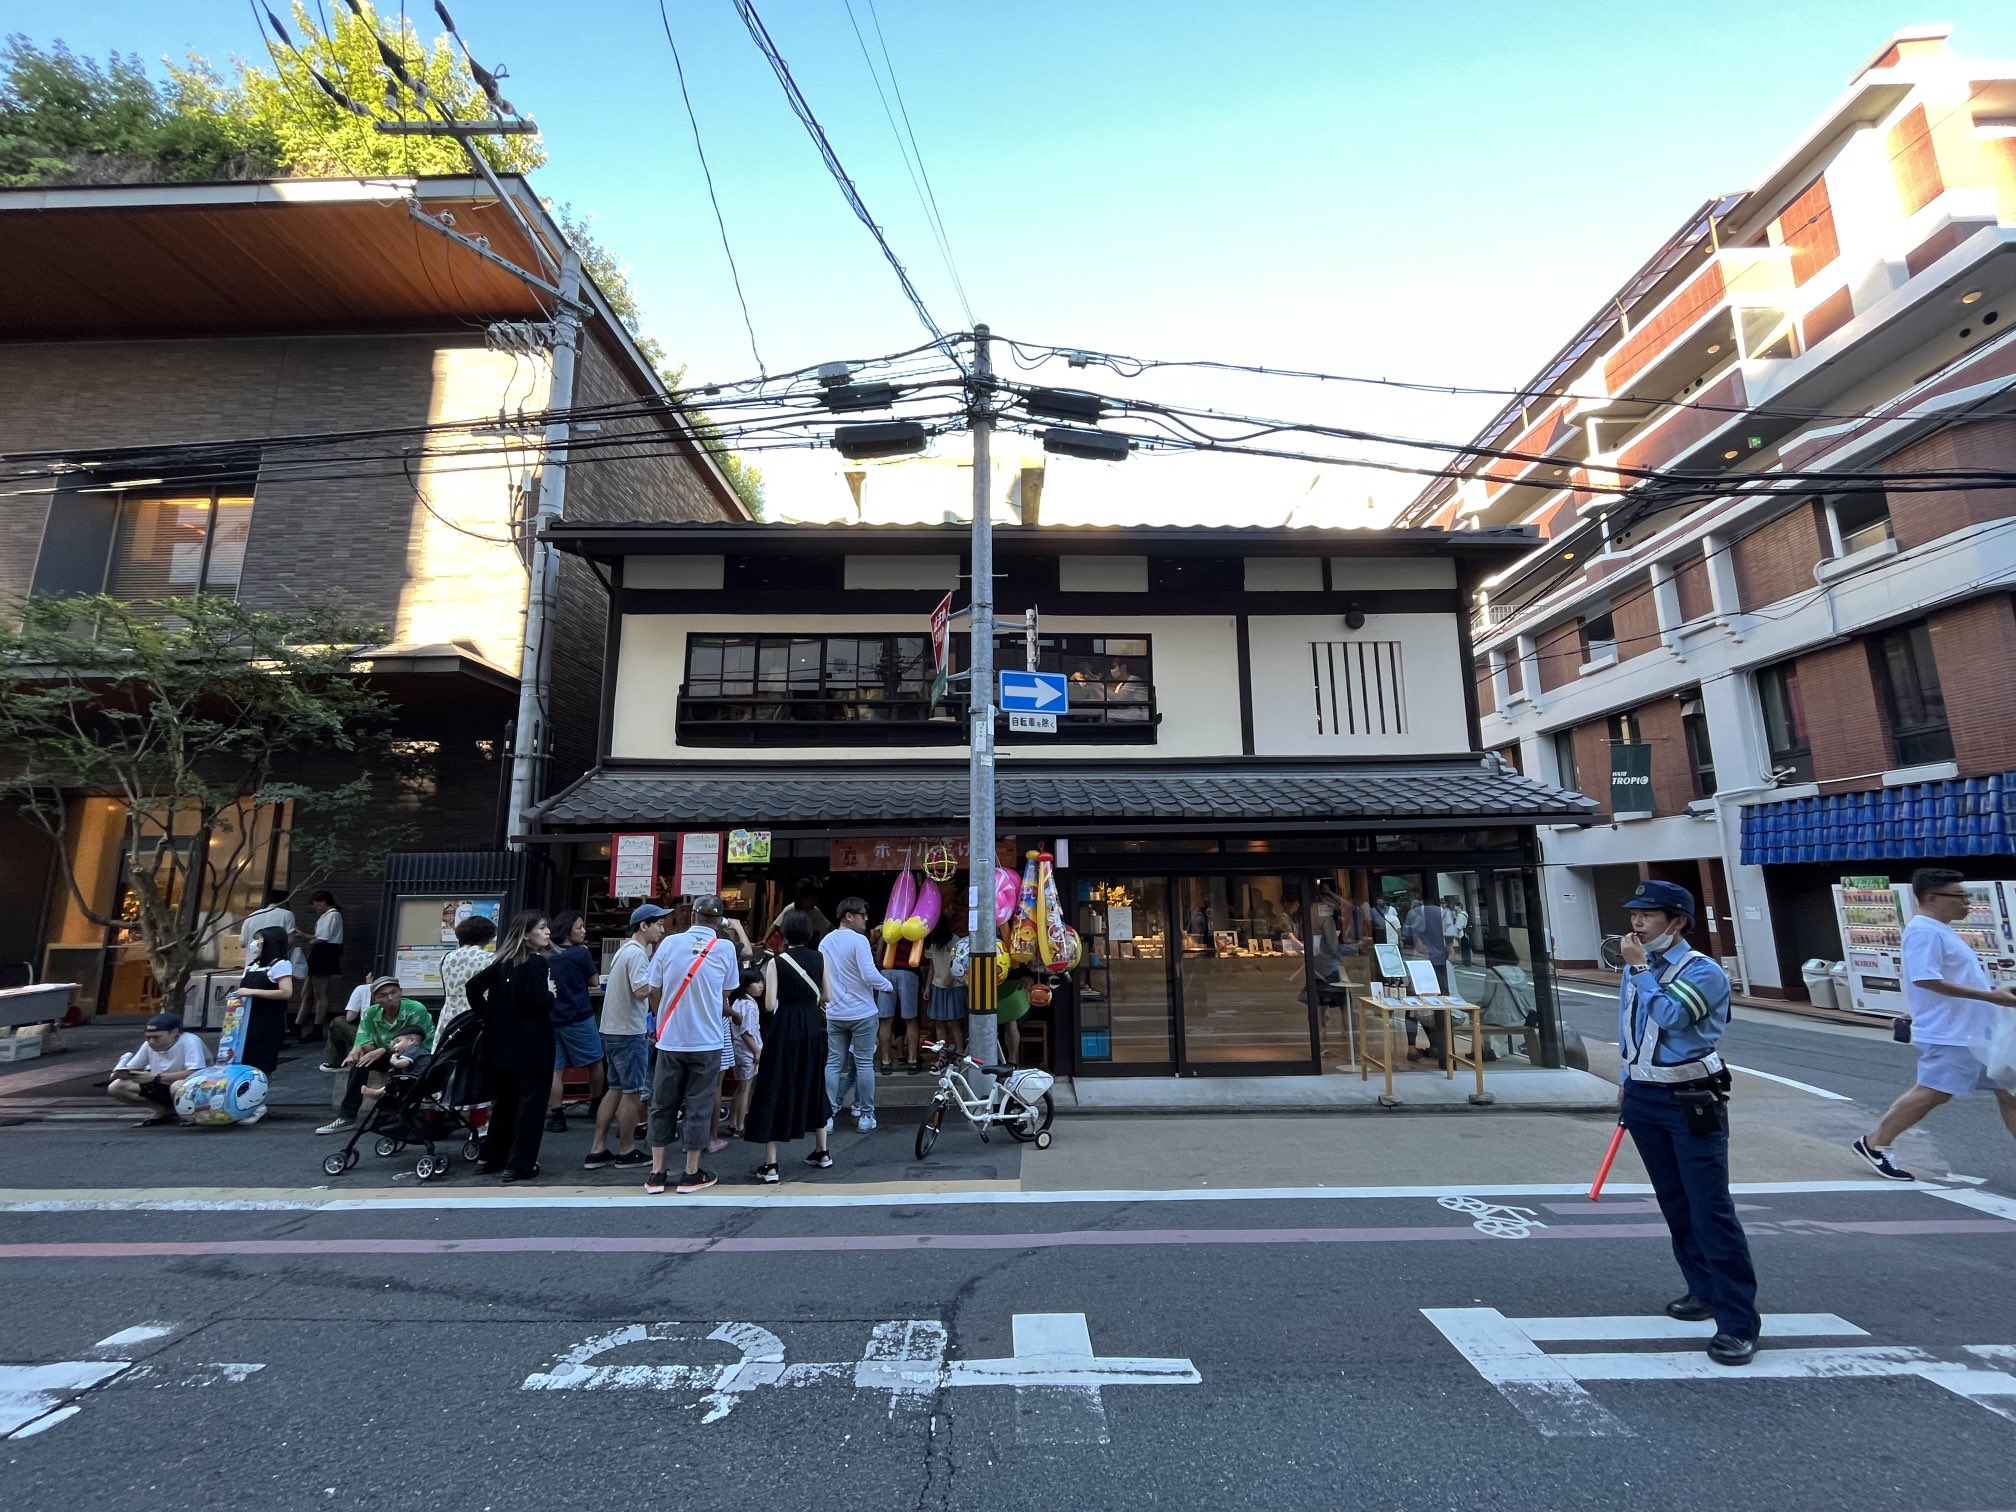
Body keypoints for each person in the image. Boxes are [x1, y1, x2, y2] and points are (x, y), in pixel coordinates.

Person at [1615, 879, 1757, 1368]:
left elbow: (1674, 1016)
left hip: (1689, 1096)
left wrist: (1639, 971)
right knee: (1675, 1203)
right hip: (1644, 1095)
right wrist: (1625, 1077)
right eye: (1634, 914)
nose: (1636, 923)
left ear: (1676, 923)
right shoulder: (1638, 970)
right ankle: (1702, 1290)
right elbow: (1629, 1027)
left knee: (1710, 1207)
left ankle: (1739, 1323)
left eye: (1648, 915)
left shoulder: (1703, 972)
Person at [1854, 869, 2016, 1180]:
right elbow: (1925, 979)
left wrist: (1993, 998)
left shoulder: (1939, 930)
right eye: (1959, 896)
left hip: (1975, 1032)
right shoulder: (1924, 932)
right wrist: (1991, 996)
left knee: (2009, 1091)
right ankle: (1874, 1143)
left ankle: (1874, 1143)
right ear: (1932, 898)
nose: (1967, 903)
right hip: (1951, 1032)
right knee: (1933, 1091)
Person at [644, 894, 738, 1194]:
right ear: (719, 920)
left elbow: (652, 987)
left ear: (693, 916)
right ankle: (691, 1172)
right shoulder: (725, 948)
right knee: (699, 1105)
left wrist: (661, 1019)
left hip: (670, 1040)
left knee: (662, 1104)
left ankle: (657, 1172)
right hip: (707, 1040)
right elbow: (727, 993)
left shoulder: (669, 943)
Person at [743, 908, 835, 1181]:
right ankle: (822, 1151)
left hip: (785, 1029)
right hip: (814, 1028)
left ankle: (771, 1166)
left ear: (784, 935)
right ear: (809, 933)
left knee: (776, 1087)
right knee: (815, 1083)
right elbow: (827, 996)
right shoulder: (820, 958)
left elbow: (770, 1005)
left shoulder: (776, 962)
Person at [465, 912, 556, 1182]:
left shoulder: (503, 963)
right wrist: (552, 995)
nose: (547, 932)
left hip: (501, 1045)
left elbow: (472, 987)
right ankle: (520, 1164)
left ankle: (490, 1156)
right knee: (531, 1106)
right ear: (527, 934)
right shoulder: (536, 964)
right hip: (533, 1045)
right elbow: (539, 1002)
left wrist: (488, 1016)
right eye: (541, 928)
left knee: (504, 1103)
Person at [585, 903, 667, 1171]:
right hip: (628, 1032)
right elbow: (642, 990)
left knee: (616, 1088)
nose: (662, 929)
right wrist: (662, 979)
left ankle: (598, 1148)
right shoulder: (637, 955)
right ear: (643, 926)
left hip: (611, 1030)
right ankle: (627, 1150)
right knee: (632, 1093)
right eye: (658, 924)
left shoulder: (625, 950)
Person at [317, 976, 433, 1136]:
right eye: (383, 995)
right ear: (375, 999)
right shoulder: (371, 1013)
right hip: (390, 1054)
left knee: (392, 1062)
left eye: (394, 992)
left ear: (401, 992)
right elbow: (365, 1041)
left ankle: (396, 1115)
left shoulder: (415, 1009)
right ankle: (347, 1117)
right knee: (360, 1064)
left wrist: (382, 1050)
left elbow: (415, 1043)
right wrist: (359, 1049)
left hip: (416, 1057)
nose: (390, 997)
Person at [820, 895, 890, 1132]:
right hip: (862, 1012)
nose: (866, 919)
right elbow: (870, 975)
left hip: (835, 1012)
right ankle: (866, 1115)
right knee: (863, 1064)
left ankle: (827, 1117)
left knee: (833, 1064)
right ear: (849, 916)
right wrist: (887, 986)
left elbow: (823, 976)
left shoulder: (826, 942)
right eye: (862, 914)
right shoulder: (859, 941)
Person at [543, 911, 604, 1135]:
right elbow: (594, 982)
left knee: (555, 1069)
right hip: (578, 1015)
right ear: (567, 929)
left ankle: (557, 1115)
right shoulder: (580, 953)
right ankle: (596, 1104)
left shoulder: (544, 954)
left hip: (550, 1018)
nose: (584, 931)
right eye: (579, 927)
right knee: (595, 1061)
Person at [108, 1013, 207, 1126]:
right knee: (116, 1086)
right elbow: (133, 1067)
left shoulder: (190, 1041)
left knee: (177, 1087)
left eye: (156, 1037)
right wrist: (124, 1074)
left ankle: (189, 1114)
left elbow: (196, 1072)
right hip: (162, 1084)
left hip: (193, 1085)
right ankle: (163, 1111)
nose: (151, 1042)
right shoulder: (148, 1045)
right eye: (148, 1037)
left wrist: (156, 1077)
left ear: (175, 1032)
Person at [234, 925, 294, 1076]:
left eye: (260, 939)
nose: (256, 943)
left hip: (267, 1021)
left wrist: (252, 992)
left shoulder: (280, 964)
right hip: (245, 1020)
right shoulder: (253, 964)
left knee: (261, 1064)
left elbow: (286, 992)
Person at [435, 913, 498, 1050]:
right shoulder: (491, 959)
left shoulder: (446, 958)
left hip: (450, 1015)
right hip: (476, 1015)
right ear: (487, 937)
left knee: (448, 1057)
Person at [1473, 935, 1536, 1061]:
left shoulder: (1493, 972)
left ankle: (1483, 1050)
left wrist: (1478, 1005)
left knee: (1477, 1015)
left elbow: (1487, 999)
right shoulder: (1520, 972)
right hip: (1521, 1017)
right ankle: (1496, 1050)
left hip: (1499, 1017)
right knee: (1494, 1013)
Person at [297, 891, 344, 1043]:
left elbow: (323, 938)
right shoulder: (326, 916)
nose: (315, 908)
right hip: (321, 953)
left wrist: (310, 941)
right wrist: (305, 935)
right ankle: (298, 1025)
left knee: (320, 992)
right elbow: (319, 936)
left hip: (325, 953)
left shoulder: (333, 915)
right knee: (307, 992)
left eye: (316, 904)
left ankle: (317, 1028)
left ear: (323, 902)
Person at [724, 966, 765, 1139]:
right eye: (756, 982)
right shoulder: (748, 1004)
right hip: (747, 1051)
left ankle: (734, 1122)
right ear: (746, 985)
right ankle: (740, 1125)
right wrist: (756, 1051)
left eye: (761, 981)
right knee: (745, 1089)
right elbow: (746, 1032)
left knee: (741, 1088)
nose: (761, 985)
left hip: (740, 1050)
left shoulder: (740, 1002)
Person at [877, 944, 924, 1076]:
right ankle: (912, 1060)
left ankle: (886, 1061)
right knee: (910, 1019)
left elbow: (880, 950)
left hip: (887, 971)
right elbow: (921, 953)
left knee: (885, 1020)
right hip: (908, 971)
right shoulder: (916, 924)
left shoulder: (889, 924)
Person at [924, 919, 968, 1057]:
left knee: (952, 1021)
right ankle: (942, 1053)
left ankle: (960, 1051)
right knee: (939, 1022)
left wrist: (950, 978)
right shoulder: (933, 942)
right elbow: (931, 966)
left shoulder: (956, 941)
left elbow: (960, 962)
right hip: (937, 984)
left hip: (954, 986)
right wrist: (927, 987)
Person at [768, 879, 832, 945]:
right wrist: (764, 940)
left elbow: (829, 927)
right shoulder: (791, 909)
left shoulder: (815, 911)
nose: (814, 903)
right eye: (812, 900)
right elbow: (775, 925)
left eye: (815, 900)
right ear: (803, 899)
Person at [240, 887, 294, 958]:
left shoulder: (251, 916)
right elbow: (289, 940)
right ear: (285, 901)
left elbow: (242, 943)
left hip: (251, 964)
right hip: (275, 964)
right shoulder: (287, 914)